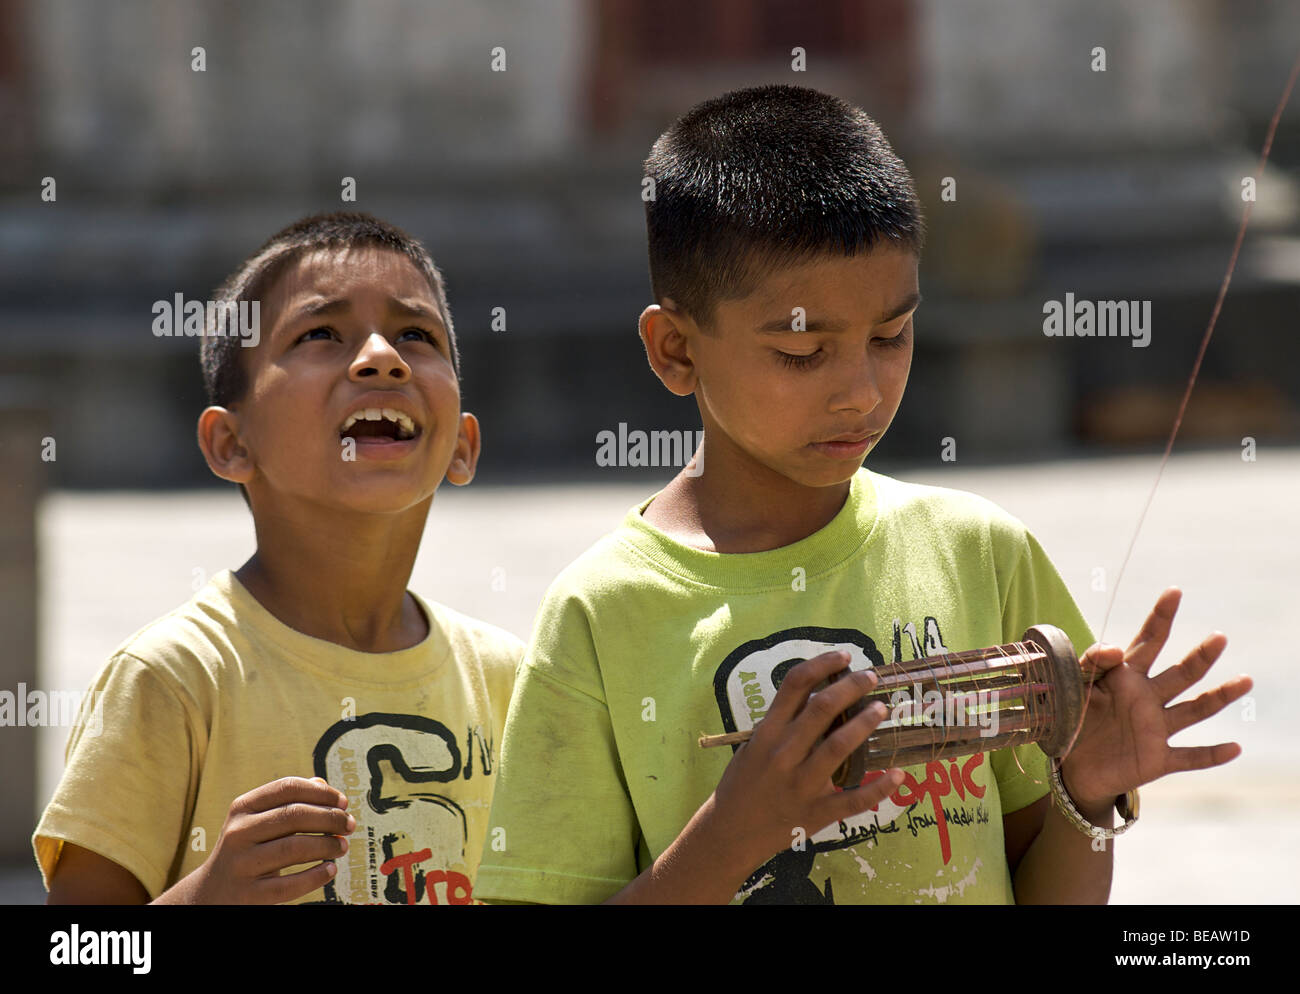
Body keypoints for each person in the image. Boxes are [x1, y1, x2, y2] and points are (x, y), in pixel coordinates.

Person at [473, 85, 1252, 904]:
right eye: (803, 350)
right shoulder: (602, 617)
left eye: (891, 337)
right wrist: (732, 836)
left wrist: (1084, 800)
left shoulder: (980, 553)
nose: (861, 393)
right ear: (674, 350)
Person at [35, 212, 522, 905]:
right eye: (320, 334)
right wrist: (208, 895)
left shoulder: (510, 681)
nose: (382, 356)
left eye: (416, 334)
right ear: (231, 444)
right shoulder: (172, 680)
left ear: (463, 445)